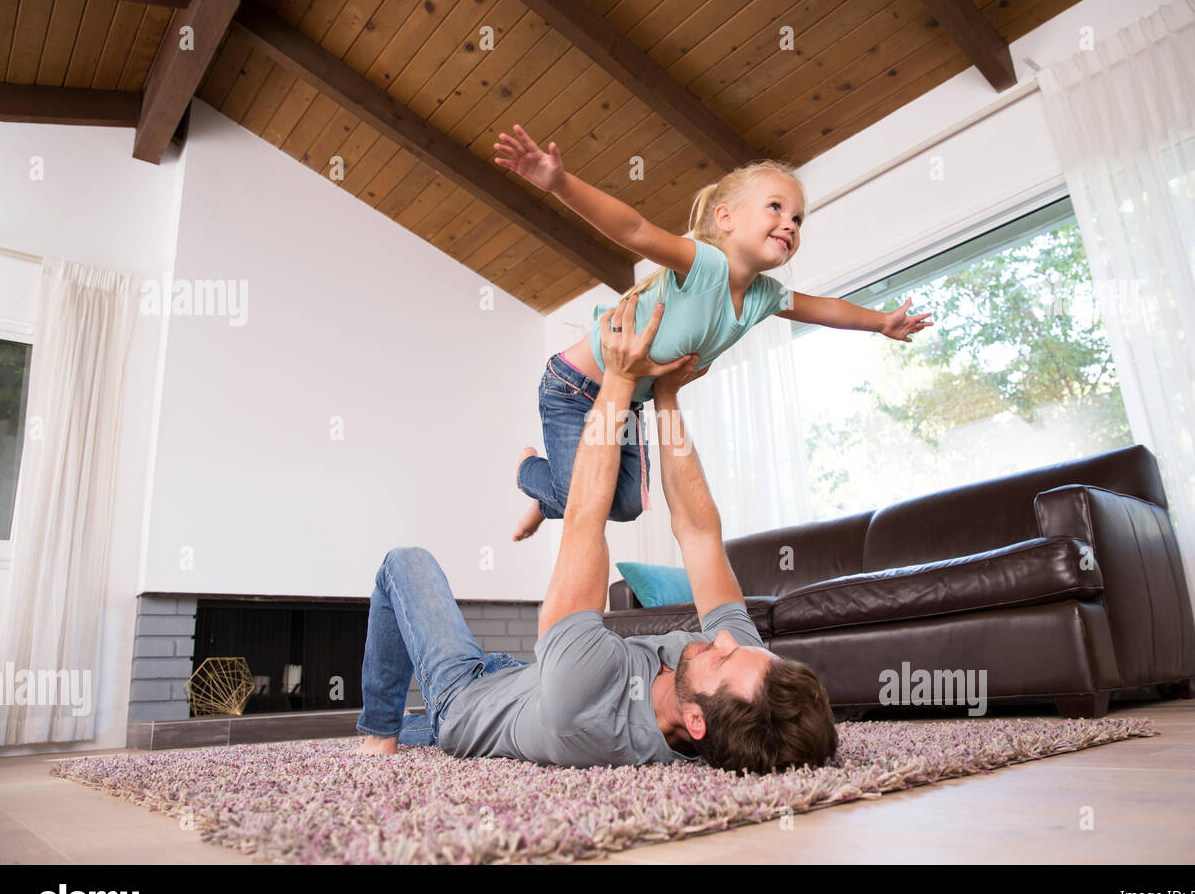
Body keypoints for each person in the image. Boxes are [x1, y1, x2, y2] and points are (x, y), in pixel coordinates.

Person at [357, 294, 839, 774]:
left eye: (722, 660)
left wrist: (620, 377)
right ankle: (417, 728)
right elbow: (699, 533)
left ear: (695, 721)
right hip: (523, 680)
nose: (728, 641)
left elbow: (584, 516)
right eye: (743, 648)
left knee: (405, 562)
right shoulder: (734, 681)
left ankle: (380, 736)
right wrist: (668, 397)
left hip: (465, 697)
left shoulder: (585, 708)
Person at [493, 122, 934, 541]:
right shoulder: (705, 265)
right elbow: (635, 230)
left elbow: (824, 309)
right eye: (776, 208)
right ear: (726, 219)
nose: (790, 224)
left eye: (798, 220)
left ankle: (550, 492)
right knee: (583, 501)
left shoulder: (764, 296)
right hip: (575, 388)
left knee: (626, 505)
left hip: (626, 401)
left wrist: (881, 323)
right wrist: (560, 184)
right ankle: (532, 474)